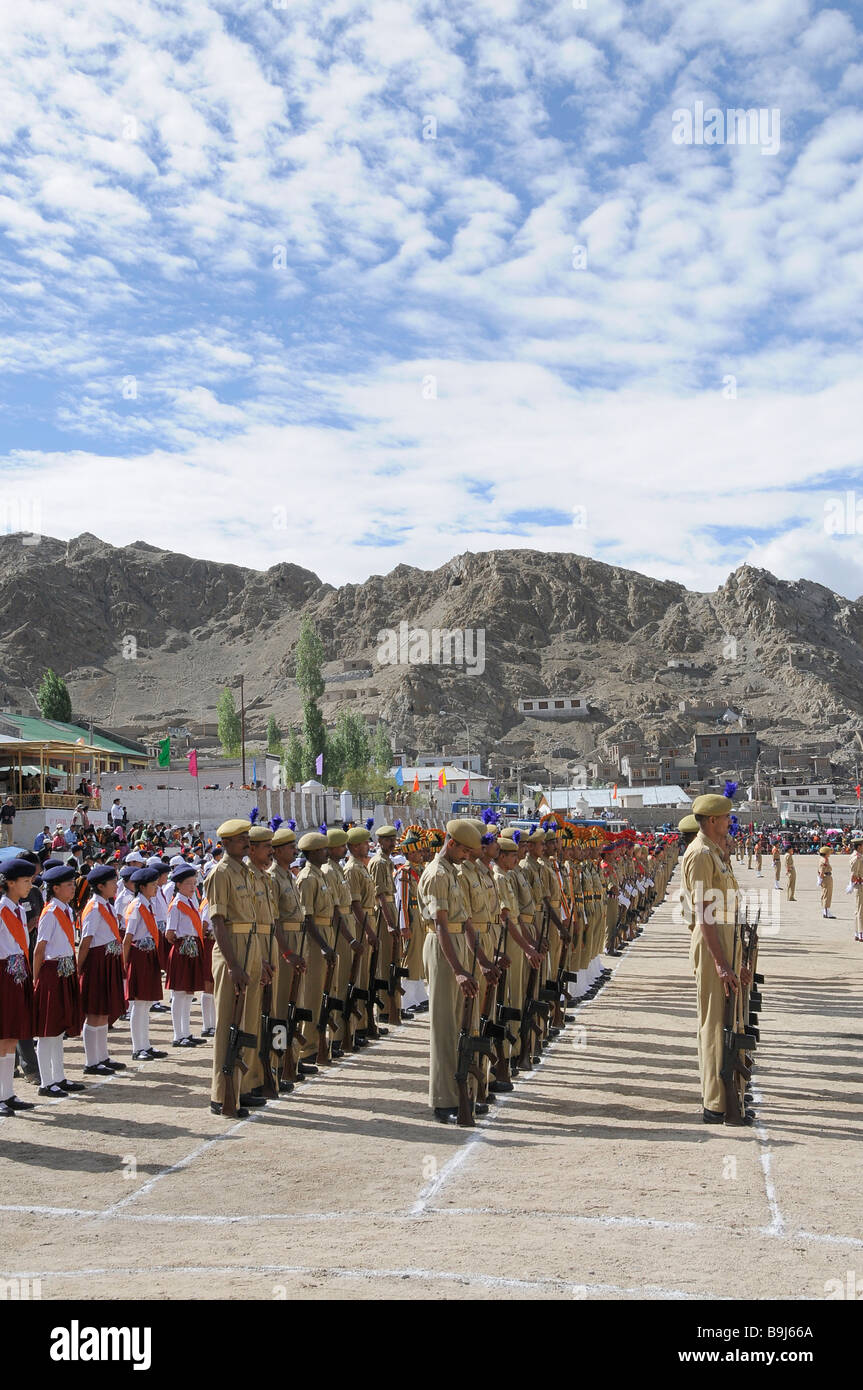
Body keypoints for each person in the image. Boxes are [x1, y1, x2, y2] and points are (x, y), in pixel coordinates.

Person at [418, 819, 498, 1124]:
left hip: (457, 946)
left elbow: (464, 922)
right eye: (464, 850)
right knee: (445, 1027)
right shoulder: (437, 874)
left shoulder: (452, 872)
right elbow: (440, 925)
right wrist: (459, 971)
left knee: (463, 1025)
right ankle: (444, 1100)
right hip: (442, 949)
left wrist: (480, 960)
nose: (468, 856)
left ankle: (462, 1091)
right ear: (451, 844)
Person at [680, 794, 753, 1126]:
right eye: (725, 818)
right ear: (711, 821)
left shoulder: (716, 854)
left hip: (726, 943)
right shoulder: (699, 855)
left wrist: (736, 960)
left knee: (730, 1019)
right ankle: (714, 1102)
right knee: (713, 1022)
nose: (729, 822)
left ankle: (729, 1095)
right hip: (713, 948)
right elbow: (703, 913)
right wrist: (721, 963)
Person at [205, 819, 267, 1117]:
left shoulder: (246, 872)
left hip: (251, 946)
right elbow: (217, 922)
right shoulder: (221, 873)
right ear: (225, 843)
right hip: (233, 950)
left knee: (247, 1022)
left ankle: (241, 1087)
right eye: (241, 839)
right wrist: (232, 965)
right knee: (228, 1023)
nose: (246, 842)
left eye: (247, 838)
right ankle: (221, 1093)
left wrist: (261, 959)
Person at [33, 864, 84, 1098]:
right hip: (51, 973)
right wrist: (36, 980)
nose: (73, 888)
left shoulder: (65, 910)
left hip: (64, 971)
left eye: (73, 884)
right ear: (55, 888)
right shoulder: (50, 912)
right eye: (68, 885)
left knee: (58, 1029)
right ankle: (46, 1081)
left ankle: (59, 1077)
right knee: (47, 1031)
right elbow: (39, 949)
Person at [78, 865, 127, 1074]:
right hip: (97, 962)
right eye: (112, 883)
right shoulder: (94, 907)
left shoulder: (106, 905)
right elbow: (86, 941)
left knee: (104, 1013)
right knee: (94, 1012)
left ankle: (102, 1056)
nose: (116, 886)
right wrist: (79, 968)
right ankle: (91, 1061)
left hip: (108, 960)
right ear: (100, 886)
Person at [0, 858, 38, 1115]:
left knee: (11, 1036)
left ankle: (7, 1093)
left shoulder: (17, 908)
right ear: (9, 883)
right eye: (25, 881)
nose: (29, 885)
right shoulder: (3, 909)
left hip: (17, 973)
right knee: (2, 1037)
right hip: (4, 973)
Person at [122, 867, 169, 1061]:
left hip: (148, 956)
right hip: (138, 956)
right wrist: (124, 965)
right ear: (142, 887)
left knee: (147, 1002)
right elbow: (128, 937)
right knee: (139, 1004)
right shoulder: (136, 906)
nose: (156, 887)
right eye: (152, 885)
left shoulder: (148, 904)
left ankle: (146, 1045)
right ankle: (137, 1047)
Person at [849, 838, 863, 942]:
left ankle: (857, 933)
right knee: (860, 910)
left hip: (859, 885)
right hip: (860, 885)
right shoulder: (857, 858)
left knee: (858, 910)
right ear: (859, 846)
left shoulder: (857, 856)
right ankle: (861, 933)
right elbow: (853, 875)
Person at [817, 846, 834, 918]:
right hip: (826, 877)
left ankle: (825, 911)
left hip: (825, 877)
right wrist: (820, 879)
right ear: (826, 853)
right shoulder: (824, 860)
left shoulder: (823, 859)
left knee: (825, 894)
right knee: (827, 894)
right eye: (829, 852)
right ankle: (826, 912)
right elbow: (822, 871)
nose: (830, 853)